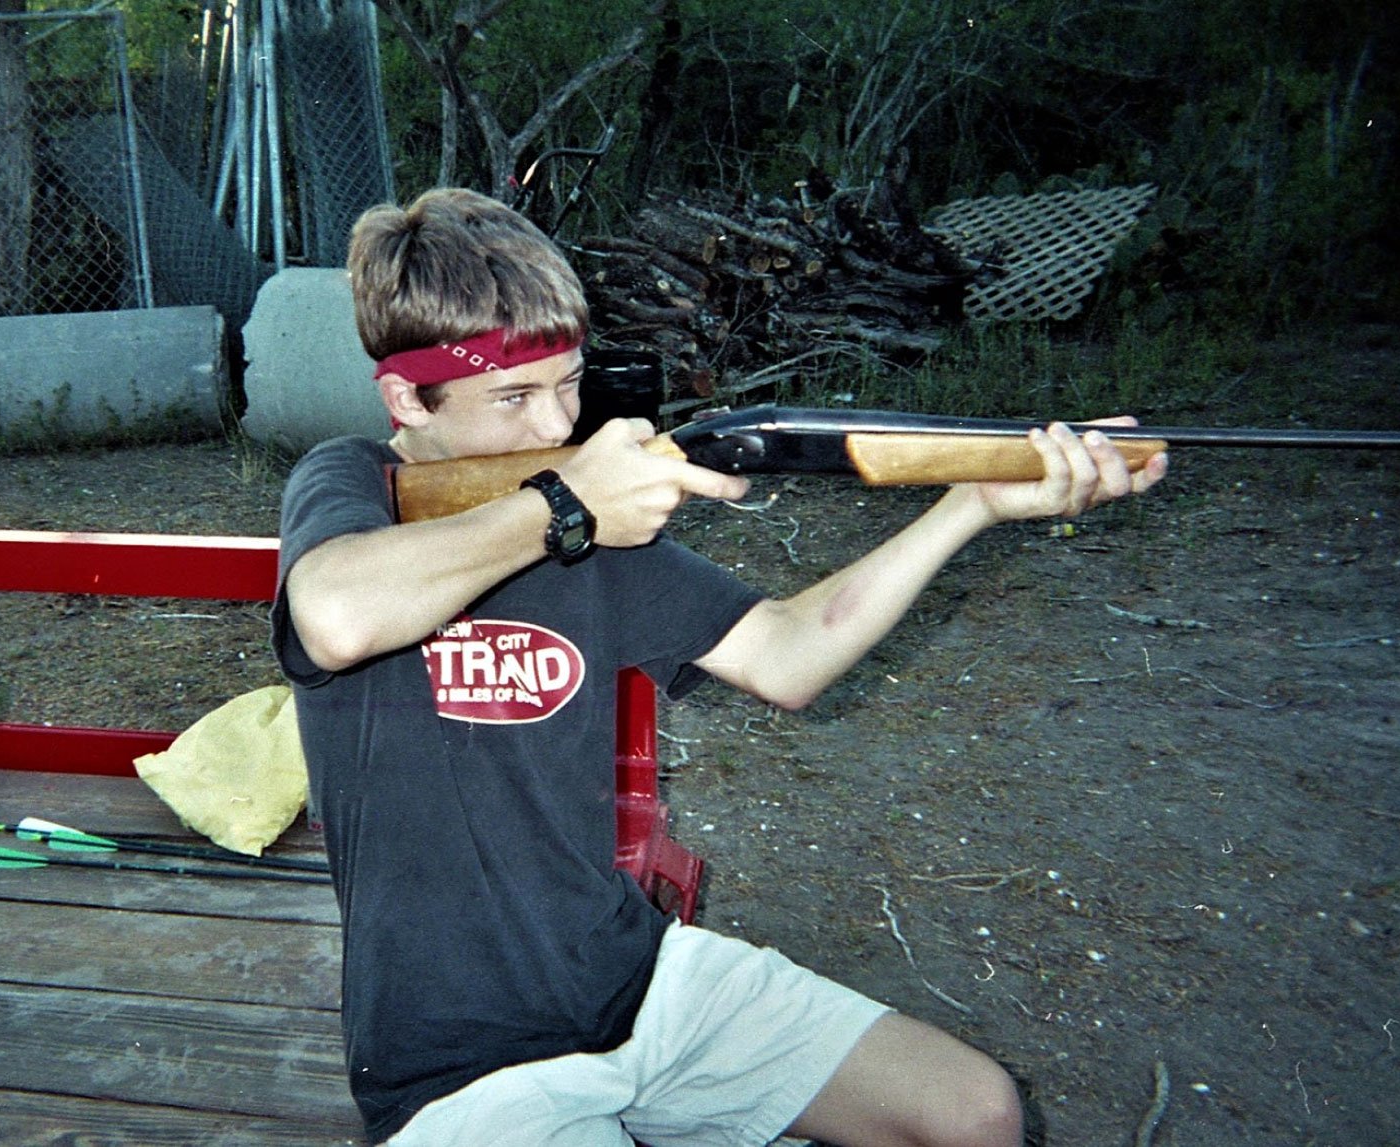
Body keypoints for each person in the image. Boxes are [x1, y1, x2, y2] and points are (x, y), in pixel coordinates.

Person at [271, 187, 1168, 1147]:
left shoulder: (592, 523)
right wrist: (566, 503)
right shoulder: (354, 483)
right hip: (454, 1057)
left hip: (634, 983)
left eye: (570, 383)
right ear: (407, 397)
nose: (555, 424)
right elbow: (333, 616)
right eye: (515, 397)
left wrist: (971, 508)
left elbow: (789, 653)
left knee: (972, 1112)